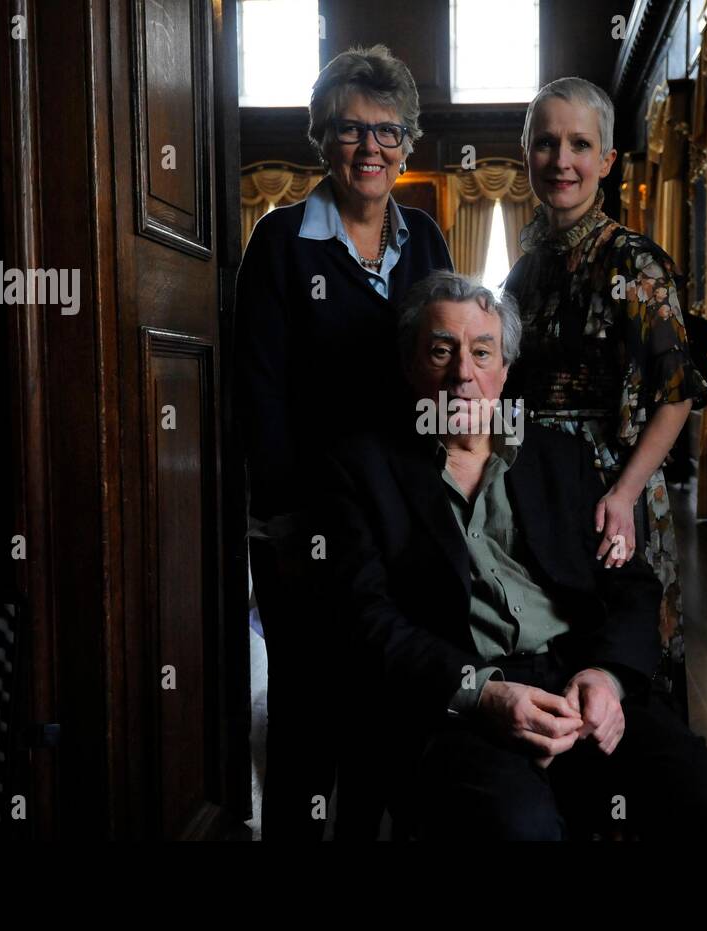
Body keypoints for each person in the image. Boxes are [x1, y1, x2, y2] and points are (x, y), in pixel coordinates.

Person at [314, 271, 707, 840]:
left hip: (575, 676)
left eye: (481, 353)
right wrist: (484, 694)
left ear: (504, 370)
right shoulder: (361, 469)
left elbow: (631, 586)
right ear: (409, 366)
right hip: (462, 697)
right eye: (441, 352)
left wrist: (607, 678)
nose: (462, 376)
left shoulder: (557, 456)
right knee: (523, 830)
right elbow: (365, 620)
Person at [233, 45, 452, 840]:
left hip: (400, 515)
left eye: (387, 132)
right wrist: (286, 524)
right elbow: (258, 393)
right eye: (351, 130)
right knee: (304, 708)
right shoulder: (280, 242)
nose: (371, 148)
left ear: (408, 143)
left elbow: (446, 363)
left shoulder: (425, 238)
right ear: (321, 140)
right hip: (306, 519)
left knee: (382, 701)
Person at [503, 77, 707, 713]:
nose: (561, 160)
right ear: (527, 153)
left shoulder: (636, 263)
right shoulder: (524, 268)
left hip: (612, 487)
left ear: (607, 160)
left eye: (578, 144)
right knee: (557, 641)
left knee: (625, 649)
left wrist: (624, 494)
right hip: (537, 479)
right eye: (545, 143)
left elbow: (676, 395)